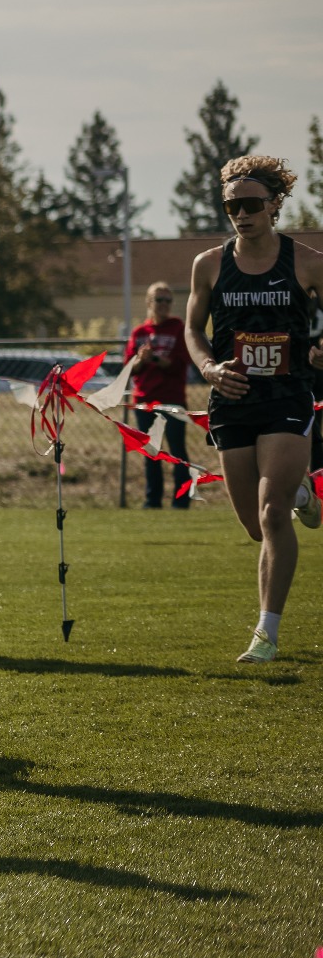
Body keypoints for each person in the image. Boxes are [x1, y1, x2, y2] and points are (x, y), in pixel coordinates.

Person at [181, 156, 323, 663]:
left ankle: (266, 633)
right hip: (232, 401)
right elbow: (193, 330)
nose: (241, 214)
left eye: (251, 204)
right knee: (254, 526)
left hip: (287, 398)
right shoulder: (209, 265)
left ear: (273, 205)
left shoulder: (306, 261)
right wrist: (208, 368)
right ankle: (303, 491)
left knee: (271, 512)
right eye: (232, 205)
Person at [127, 282, 192, 510]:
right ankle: (152, 500)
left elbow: (179, 364)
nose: (164, 305)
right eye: (159, 300)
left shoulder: (178, 328)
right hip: (144, 400)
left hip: (172, 398)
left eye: (167, 300)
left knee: (177, 452)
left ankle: (181, 501)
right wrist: (140, 360)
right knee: (151, 453)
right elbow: (129, 369)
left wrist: (153, 358)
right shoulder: (139, 333)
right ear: (149, 303)